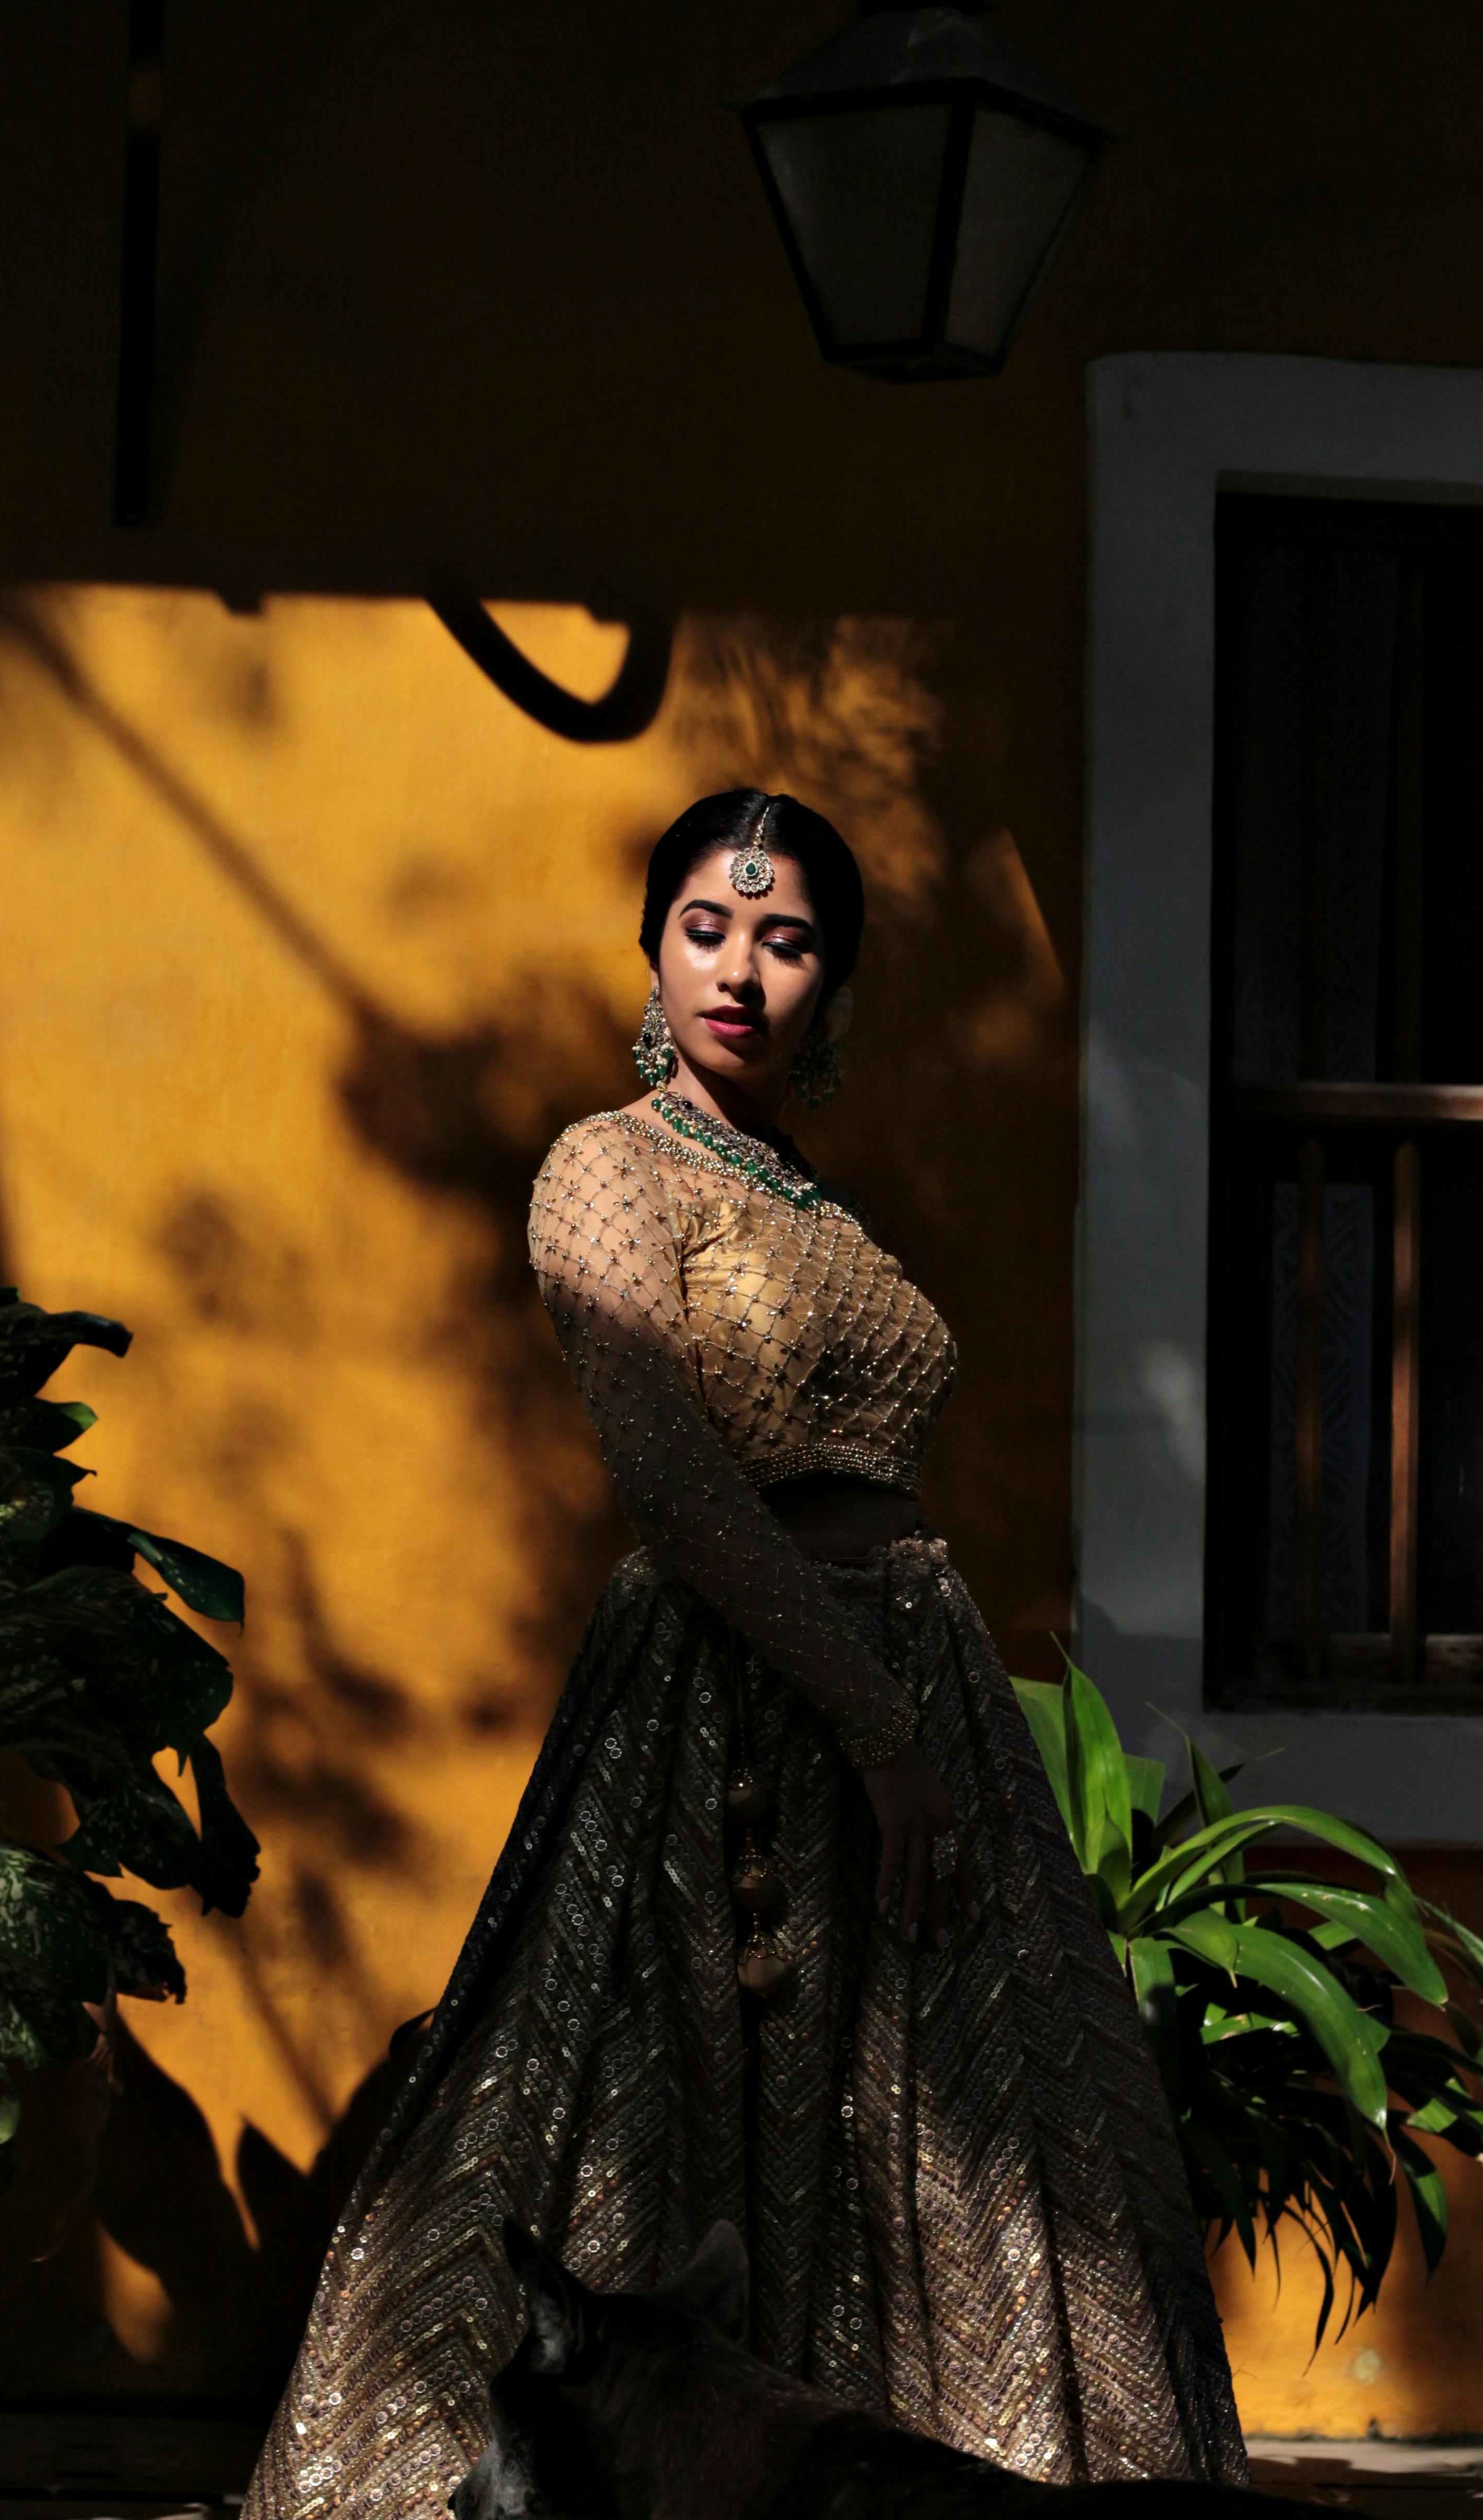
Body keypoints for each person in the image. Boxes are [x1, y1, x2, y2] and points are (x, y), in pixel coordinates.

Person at [244, 791, 1246, 2520]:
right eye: (708, 925)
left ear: (834, 991)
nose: (742, 968)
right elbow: (677, 1485)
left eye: (788, 942)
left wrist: (907, 1716)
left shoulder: (821, 1213)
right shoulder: (608, 1169)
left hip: (912, 1709)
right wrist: (869, 1725)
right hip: (723, 1711)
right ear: (653, 951)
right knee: (662, 2138)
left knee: (964, 2179)